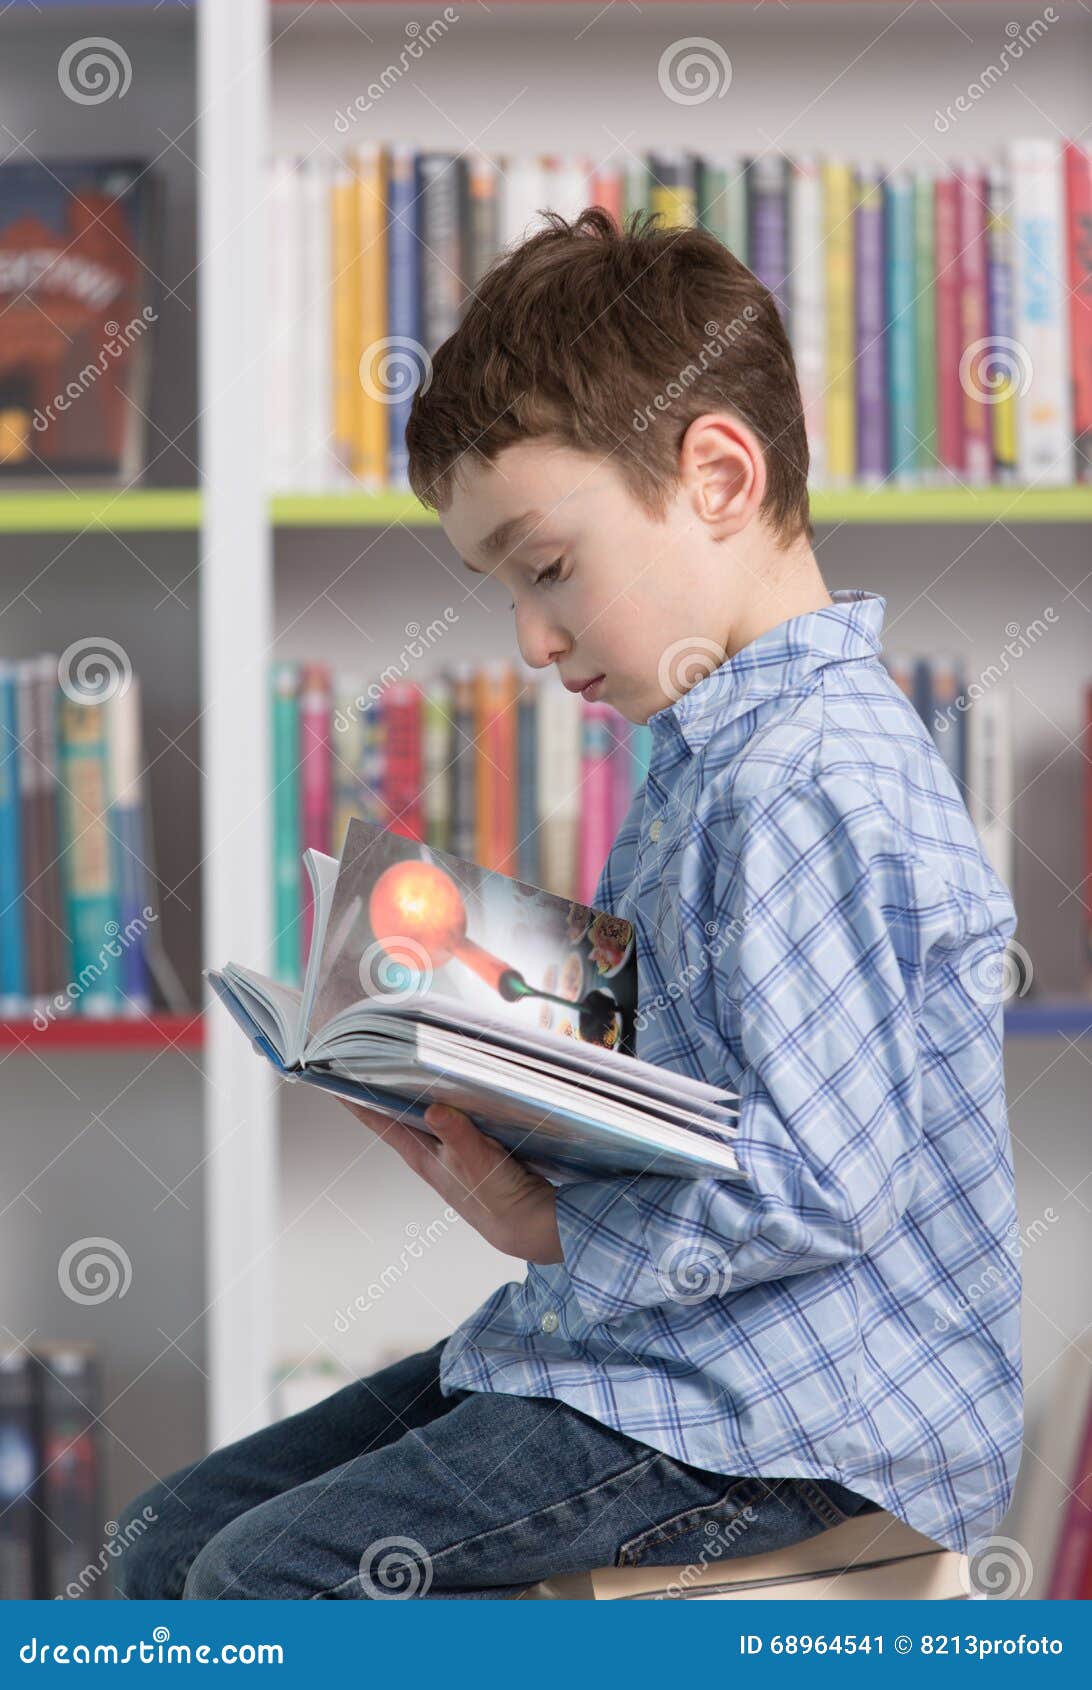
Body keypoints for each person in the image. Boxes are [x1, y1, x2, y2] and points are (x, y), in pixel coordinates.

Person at [117, 209, 1020, 1600]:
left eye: (545, 569)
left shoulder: (809, 778)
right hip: (656, 1362)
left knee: (259, 1576)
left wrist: (553, 1227)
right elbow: (682, 1076)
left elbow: (823, 1178)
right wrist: (489, 1035)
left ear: (718, 473)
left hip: (786, 1414)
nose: (532, 639)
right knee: (165, 1537)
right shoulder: (707, 753)